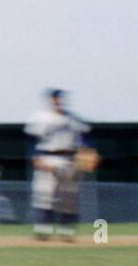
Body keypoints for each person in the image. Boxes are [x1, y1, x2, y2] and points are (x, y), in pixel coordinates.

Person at [24, 89, 96, 242]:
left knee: (69, 197)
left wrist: (89, 151)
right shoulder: (40, 118)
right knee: (44, 195)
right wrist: (35, 156)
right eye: (55, 98)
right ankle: (43, 229)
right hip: (47, 157)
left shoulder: (73, 119)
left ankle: (67, 230)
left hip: (69, 159)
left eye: (60, 98)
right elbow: (30, 139)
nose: (58, 101)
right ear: (50, 100)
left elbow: (87, 136)